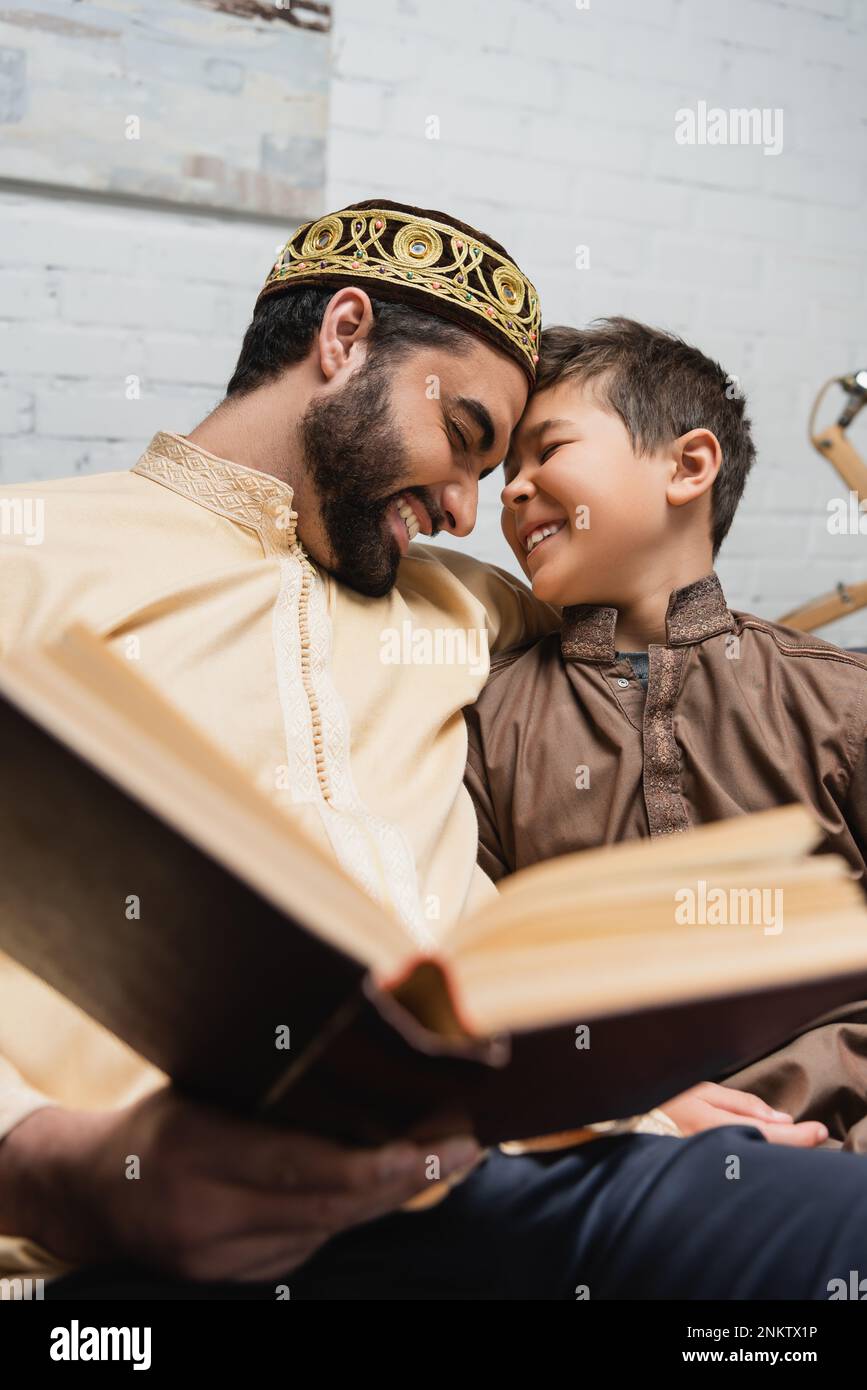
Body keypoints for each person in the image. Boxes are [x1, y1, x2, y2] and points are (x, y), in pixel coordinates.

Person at [4, 229, 867, 1302]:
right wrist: (59, 1167)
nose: (470, 508)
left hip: (500, 1184)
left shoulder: (462, 604)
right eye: (462, 435)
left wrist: (635, 1102)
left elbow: (659, 610)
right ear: (346, 334)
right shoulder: (23, 553)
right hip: (124, 1237)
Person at [464, 316, 867, 1154]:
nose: (509, 488)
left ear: (687, 467)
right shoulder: (485, 726)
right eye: (506, 468)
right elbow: (481, 982)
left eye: (546, 450)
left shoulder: (839, 702)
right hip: (605, 1159)